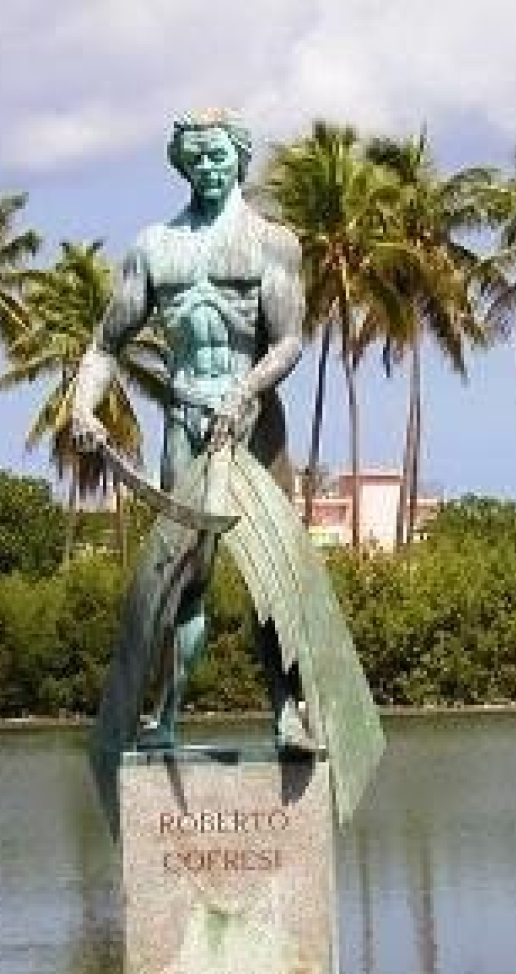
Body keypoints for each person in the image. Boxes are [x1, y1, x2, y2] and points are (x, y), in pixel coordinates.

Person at [73, 108, 313, 752]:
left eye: (218, 156)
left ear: (239, 159)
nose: (208, 167)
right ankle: (167, 716)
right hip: (185, 418)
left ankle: (290, 711)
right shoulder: (154, 247)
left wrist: (244, 390)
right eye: (196, 157)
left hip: (254, 423)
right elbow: (105, 346)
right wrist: (83, 406)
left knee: (273, 577)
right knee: (186, 575)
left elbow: (290, 340)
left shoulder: (272, 242)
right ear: (181, 164)